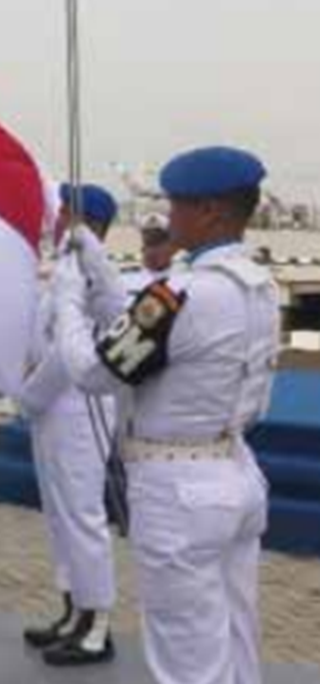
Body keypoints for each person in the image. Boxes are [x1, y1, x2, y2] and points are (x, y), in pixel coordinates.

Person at [55, 146, 279, 684]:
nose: (169, 215)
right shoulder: (258, 285)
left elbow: (92, 371)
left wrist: (67, 301)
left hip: (178, 490)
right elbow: (141, 327)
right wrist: (98, 263)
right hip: (234, 469)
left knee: (188, 660)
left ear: (210, 211)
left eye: (177, 204)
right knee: (237, 640)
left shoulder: (181, 295)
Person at [18, 183, 120, 666]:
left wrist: (29, 396)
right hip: (52, 408)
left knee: (82, 515)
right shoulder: (64, 269)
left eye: (64, 212)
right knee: (60, 515)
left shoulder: (90, 274)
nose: (55, 218)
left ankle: (97, 624)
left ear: (87, 221)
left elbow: (67, 353)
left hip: (81, 408)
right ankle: (73, 610)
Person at [122, 213, 177, 297]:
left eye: (158, 244)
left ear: (171, 248)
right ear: (143, 249)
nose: (153, 251)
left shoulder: (183, 279)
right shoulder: (127, 280)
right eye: (149, 244)